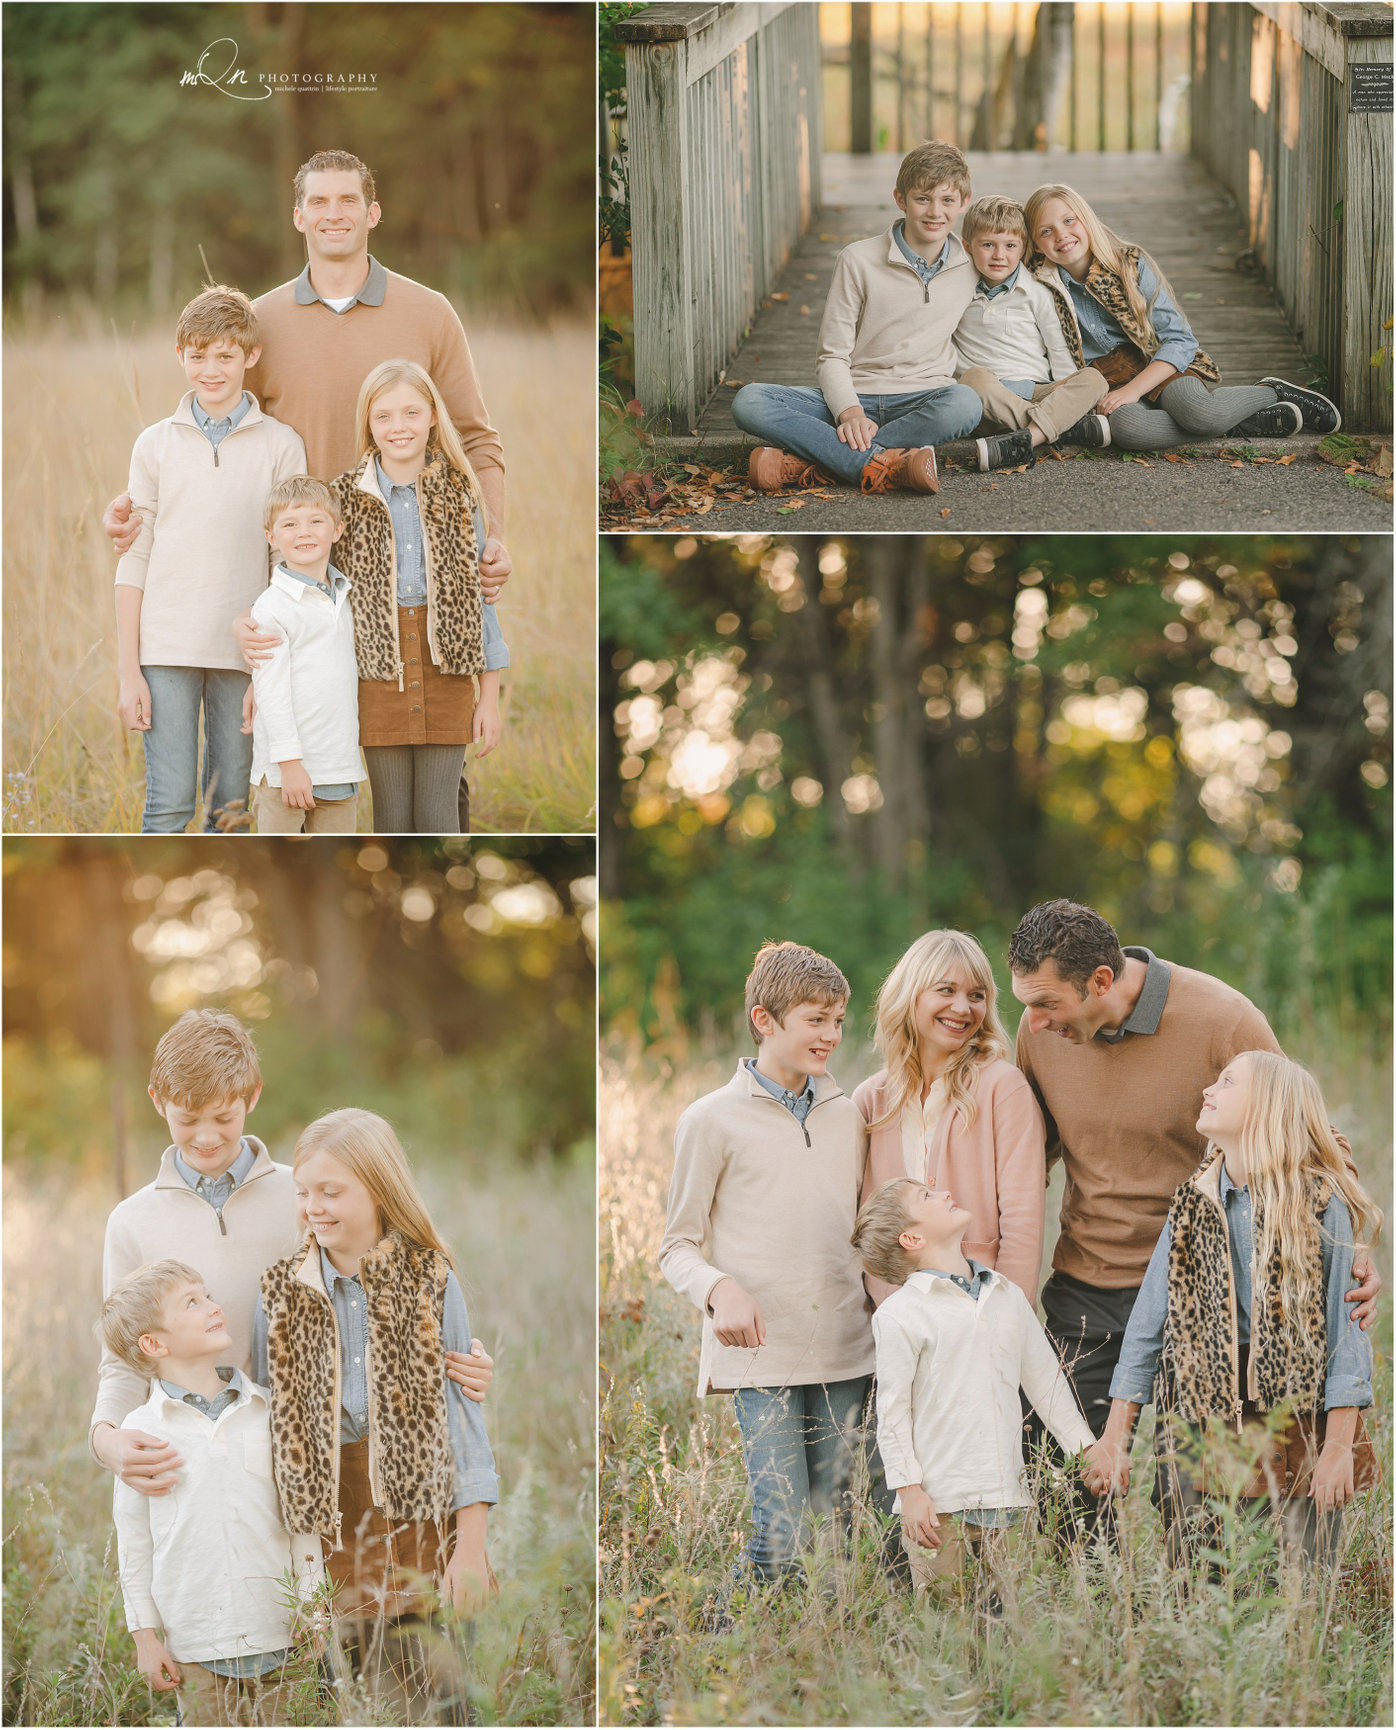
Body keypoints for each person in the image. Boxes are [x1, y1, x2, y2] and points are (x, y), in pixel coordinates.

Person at [102, 150, 512, 831]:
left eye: (348, 200)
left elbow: (476, 438)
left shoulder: (429, 312)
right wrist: (135, 513)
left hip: (408, 571)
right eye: (318, 202)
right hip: (298, 577)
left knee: (428, 752)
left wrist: (492, 536)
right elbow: (223, 432)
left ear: (373, 212)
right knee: (309, 744)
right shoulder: (261, 321)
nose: (333, 214)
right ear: (298, 216)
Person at [1007, 899, 1380, 1537]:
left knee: (1196, 1498)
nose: (1035, 1022)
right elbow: (1024, 1155)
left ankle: (1195, 1597)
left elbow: (1307, 1133)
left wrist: (1353, 1249)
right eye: (1027, 1004)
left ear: (1101, 980)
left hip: (1209, 1291)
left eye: (1046, 1004)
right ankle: (1094, 1599)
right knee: (1067, 1481)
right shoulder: (1039, 1032)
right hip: (1088, 1280)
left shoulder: (1223, 1018)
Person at [90, 1011, 493, 1502]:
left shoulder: (308, 1194)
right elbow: (123, 1359)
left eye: (224, 1118)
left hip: (298, 1463)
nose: (206, 1137)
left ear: (253, 1095)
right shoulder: (131, 1222)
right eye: (187, 1120)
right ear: (158, 1101)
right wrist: (106, 1439)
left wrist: (455, 1358)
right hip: (185, 1459)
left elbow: (377, 1294)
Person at [1084, 1052, 1379, 1574]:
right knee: (1202, 1573)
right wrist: (1114, 1438)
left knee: (1299, 1575)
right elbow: (1147, 1329)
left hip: (1298, 1411)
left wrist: (1336, 1448)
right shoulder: (1191, 1204)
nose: (1208, 1090)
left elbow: (1345, 1336)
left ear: (1268, 1107)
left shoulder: (1319, 1203)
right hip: (1207, 1411)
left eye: (1227, 1082)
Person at [253, 1110, 499, 1722]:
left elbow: (463, 1423)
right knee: (355, 1700)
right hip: (328, 1534)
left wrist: (471, 1549)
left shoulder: (429, 1279)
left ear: (379, 1189)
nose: (313, 1207)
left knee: (442, 1698)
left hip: (423, 1523)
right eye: (303, 1192)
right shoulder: (279, 1293)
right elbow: (264, 1426)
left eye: (330, 1191)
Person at [657, 942, 885, 1587]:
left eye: (838, 1020)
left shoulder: (850, 1117)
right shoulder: (710, 1120)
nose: (831, 1035)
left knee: (836, 1526)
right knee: (781, 1532)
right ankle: (718, 1633)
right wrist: (718, 1288)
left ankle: (817, 1640)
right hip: (762, 1355)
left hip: (845, 1348)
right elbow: (676, 1246)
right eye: (815, 1019)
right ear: (765, 1020)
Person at [113, 285, 306, 832]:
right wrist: (129, 671)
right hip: (164, 648)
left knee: (230, 810)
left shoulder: (282, 445)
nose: (211, 370)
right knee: (168, 804)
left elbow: (287, 564)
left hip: (245, 655)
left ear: (251, 355)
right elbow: (134, 556)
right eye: (198, 356)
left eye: (225, 356)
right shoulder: (154, 444)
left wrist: (270, 670)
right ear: (180, 356)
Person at [853, 1178, 1095, 1611]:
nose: (944, 1193)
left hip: (1008, 1495)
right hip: (937, 1506)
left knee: (1020, 1620)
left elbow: (1046, 1383)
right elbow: (893, 1411)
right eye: (927, 1197)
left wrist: (1088, 1451)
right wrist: (909, 1492)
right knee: (945, 1623)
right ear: (912, 1238)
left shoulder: (1006, 1294)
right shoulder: (900, 1314)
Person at [103, 1259, 324, 1724]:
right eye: (192, 1302)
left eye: (207, 1295)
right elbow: (135, 1545)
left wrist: (313, 1609)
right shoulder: (139, 1432)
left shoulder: (269, 1410)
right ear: (154, 1343)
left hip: (283, 1639)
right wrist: (145, 1637)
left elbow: (303, 1521)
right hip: (195, 1648)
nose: (213, 1306)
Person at [732, 141, 982, 496]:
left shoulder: (972, 265)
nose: (935, 212)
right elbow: (832, 354)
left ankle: (818, 464)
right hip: (855, 394)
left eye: (947, 200)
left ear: (964, 202)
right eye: (922, 198)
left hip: (923, 399)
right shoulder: (857, 260)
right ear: (900, 199)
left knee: (966, 403)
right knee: (750, 401)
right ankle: (884, 463)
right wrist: (849, 412)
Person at [1023, 183, 1342, 451]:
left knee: (1201, 413)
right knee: (1129, 430)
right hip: (1103, 380)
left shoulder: (1129, 265)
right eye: (1046, 231)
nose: (1061, 235)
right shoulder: (1036, 286)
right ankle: (1241, 422)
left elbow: (1179, 339)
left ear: (1086, 220)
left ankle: (1273, 392)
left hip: (1156, 361)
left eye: (1069, 221)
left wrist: (1133, 390)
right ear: (1036, 244)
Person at [331, 359, 507, 833]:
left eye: (411, 412)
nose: (399, 427)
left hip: (448, 674)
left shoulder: (460, 492)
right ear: (368, 424)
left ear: (432, 416)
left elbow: (482, 604)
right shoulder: (343, 498)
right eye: (383, 416)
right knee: (391, 820)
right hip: (377, 677)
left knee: (436, 817)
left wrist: (489, 698)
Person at [854, 929, 1047, 1311]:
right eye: (946, 990)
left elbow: (1022, 1222)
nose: (963, 1008)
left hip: (980, 1311)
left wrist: (1008, 1320)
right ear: (910, 995)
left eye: (977, 995)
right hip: (893, 1315)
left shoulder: (1002, 1088)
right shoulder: (871, 1099)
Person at [951, 194, 1112, 473]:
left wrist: (1064, 393)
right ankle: (1063, 428)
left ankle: (1024, 438)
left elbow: (1058, 349)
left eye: (1010, 245)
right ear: (967, 247)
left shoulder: (1036, 292)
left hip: (1038, 391)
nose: (999, 255)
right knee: (973, 379)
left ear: (1023, 248)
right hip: (988, 401)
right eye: (987, 245)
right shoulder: (957, 291)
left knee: (1094, 379)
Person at [249, 477, 364, 834]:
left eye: (316, 521)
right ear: (271, 537)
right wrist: (290, 764)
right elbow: (271, 693)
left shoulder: (346, 594)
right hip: (285, 774)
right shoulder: (271, 607)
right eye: (289, 524)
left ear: (337, 530)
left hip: (339, 766)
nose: (304, 532)